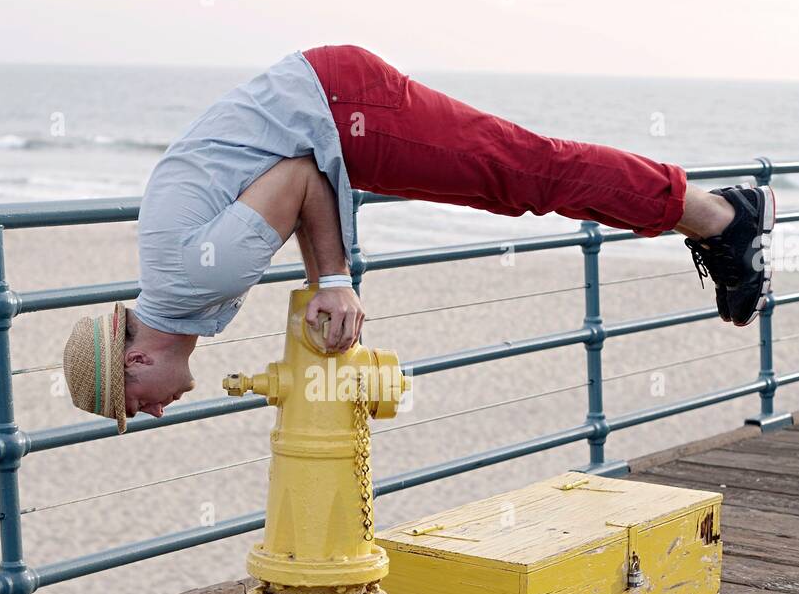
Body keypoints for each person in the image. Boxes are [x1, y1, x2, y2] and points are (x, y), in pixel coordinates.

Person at [63, 44, 775, 433]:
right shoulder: (179, 282)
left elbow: (298, 178)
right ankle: (711, 217)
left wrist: (333, 281)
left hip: (340, 107)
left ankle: (721, 217)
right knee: (514, 185)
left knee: (528, 169)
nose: (153, 410)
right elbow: (285, 180)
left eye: (136, 402)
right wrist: (324, 277)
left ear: (137, 358)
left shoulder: (195, 279)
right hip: (329, 110)